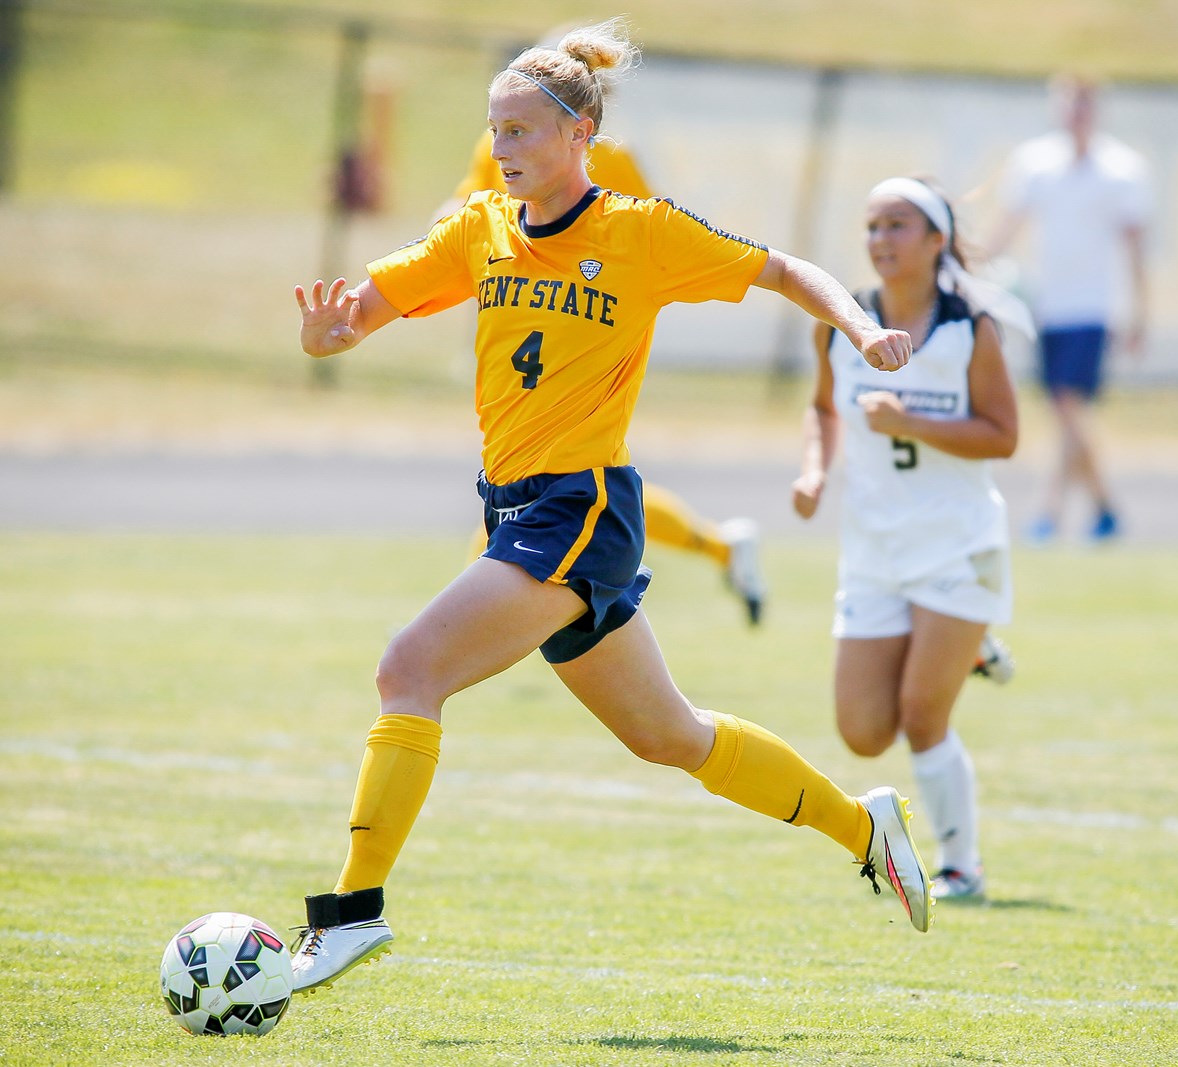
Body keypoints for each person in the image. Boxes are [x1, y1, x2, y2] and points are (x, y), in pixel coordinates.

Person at [287, 20, 934, 995]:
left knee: (409, 665)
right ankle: (864, 824)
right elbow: (368, 307)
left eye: (521, 133)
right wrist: (332, 337)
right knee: (670, 735)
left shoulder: (639, 231)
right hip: (518, 506)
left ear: (580, 131)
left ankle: (350, 914)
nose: (501, 151)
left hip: (579, 504)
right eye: (493, 132)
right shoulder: (479, 229)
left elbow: (784, 270)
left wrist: (861, 326)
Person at [439, 119, 767, 626]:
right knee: (532, 481)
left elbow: (642, 237)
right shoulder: (502, 145)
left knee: (558, 479)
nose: (508, 142)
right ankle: (724, 548)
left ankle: (462, 625)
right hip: (527, 332)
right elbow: (468, 217)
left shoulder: (610, 155)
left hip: (576, 337)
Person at [793, 177, 1021, 900]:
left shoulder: (969, 327)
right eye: (871, 226)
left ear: (936, 241)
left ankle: (962, 866)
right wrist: (813, 469)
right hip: (875, 553)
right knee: (863, 732)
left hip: (958, 546)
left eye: (898, 225)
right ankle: (967, 643)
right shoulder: (837, 322)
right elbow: (823, 409)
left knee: (924, 716)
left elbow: (1004, 435)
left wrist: (912, 422)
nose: (881, 241)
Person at [985, 74, 1151, 544]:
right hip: (1047, 305)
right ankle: (1101, 508)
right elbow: (1008, 225)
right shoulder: (1035, 162)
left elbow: (1137, 247)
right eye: (1068, 104)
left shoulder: (1122, 168)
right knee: (1063, 411)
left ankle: (1053, 510)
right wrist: (977, 273)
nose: (1075, 113)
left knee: (1067, 405)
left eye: (1084, 105)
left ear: (1097, 110)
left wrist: (1140, 312)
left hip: (1095, 305)